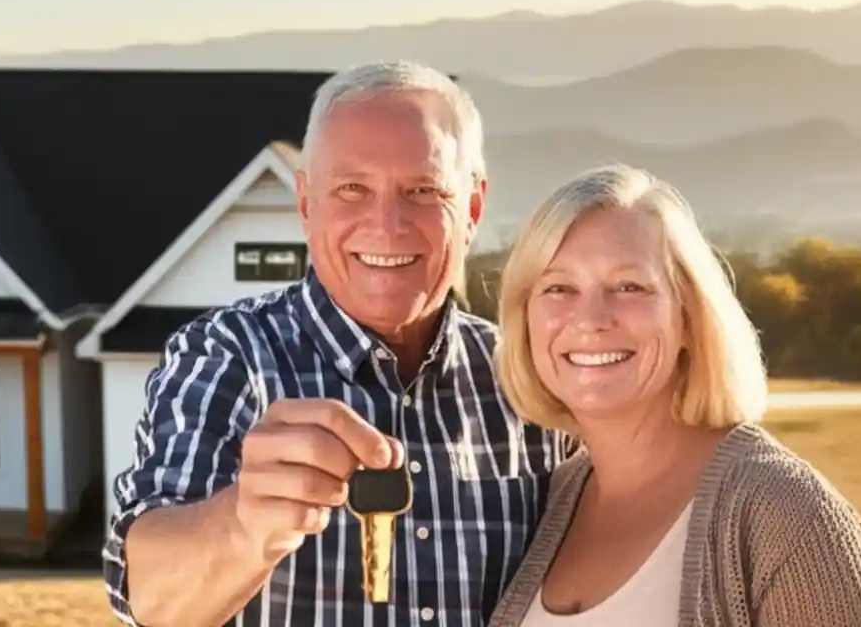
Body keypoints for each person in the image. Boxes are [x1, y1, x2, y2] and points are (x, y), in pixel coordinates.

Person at [102, 61, 570, 627]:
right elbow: (149, 601)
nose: (388, 224)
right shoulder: (229, 356)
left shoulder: (527, 378)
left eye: (423, 190)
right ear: (305, 203)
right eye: (352, 189)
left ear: (471, 208)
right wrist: (243, 525)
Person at [485, 164, 861, 626]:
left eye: (630, 286)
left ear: (688, 318)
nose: (591, 318)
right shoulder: (554, 499)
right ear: (524, 319)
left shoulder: (788, 516)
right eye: (559, 288)